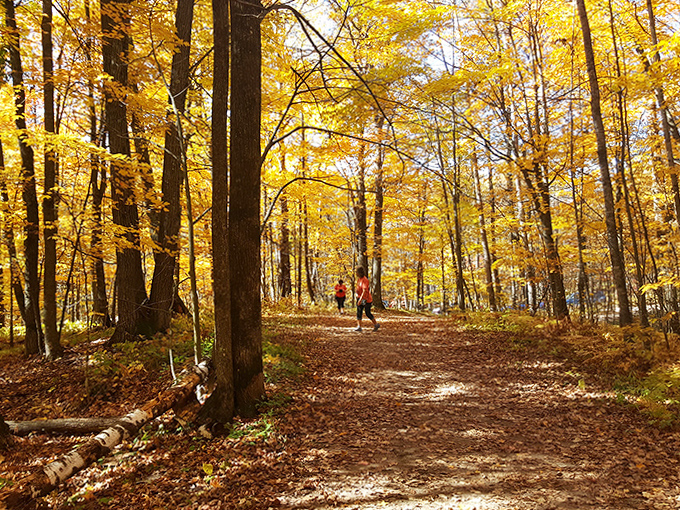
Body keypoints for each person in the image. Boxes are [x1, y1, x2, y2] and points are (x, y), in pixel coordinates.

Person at [355, 267, 379, 332]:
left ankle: (376, 324)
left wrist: (360, 299)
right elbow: (358, 288)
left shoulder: (365, 280)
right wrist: (356, 293)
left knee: (367, 313)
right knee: (359, 312)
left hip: (366, 299)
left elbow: (364, 290)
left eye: (356, 272)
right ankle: (359, 326)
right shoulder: (359, 279)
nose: (356, 273)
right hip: (360, 297)